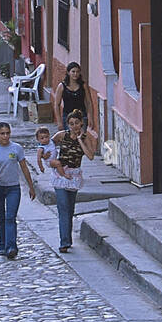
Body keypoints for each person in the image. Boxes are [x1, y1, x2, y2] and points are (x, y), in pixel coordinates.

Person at [0, 122, 36, 259]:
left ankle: (11, 246)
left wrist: (31, 187)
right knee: (0, 218)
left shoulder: (17, 149)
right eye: (2, 133)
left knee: (10, 217)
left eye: (8, 133)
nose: (5, 136)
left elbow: (24, 168)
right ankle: (2, 244)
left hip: (13, 188)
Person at [49, 112, 96, 253]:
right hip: (60, 175)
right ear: (68, 125)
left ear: (81, 123)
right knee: (63, 207)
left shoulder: (87, 138)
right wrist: (48, 160)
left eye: (76, 123)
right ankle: (64, 242)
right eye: (71, 124)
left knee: (69, 209)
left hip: (74, 176)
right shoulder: (62, 135)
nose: (74, 126)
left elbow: (90, 155)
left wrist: (80, 140)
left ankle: (67, 239)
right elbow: (47, 145)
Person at [53, 61, 92, 131]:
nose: (75, 74)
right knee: (71, 138)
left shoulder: (83, 85)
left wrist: (90, 117)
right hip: (67, 117)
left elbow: (88, 102)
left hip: (82, 116)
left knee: (81, 138)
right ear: (68, 72)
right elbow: (56, 104)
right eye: (73, 71)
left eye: (77, 72)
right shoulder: (62, 86)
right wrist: (59, 122)